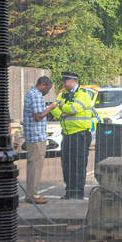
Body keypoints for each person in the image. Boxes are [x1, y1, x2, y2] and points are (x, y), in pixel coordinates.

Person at [49, 71, 94, 199]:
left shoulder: (83, 94)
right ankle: (69, 191)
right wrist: (63, 112)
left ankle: (78, 192)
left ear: (73, 81)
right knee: (67, 164)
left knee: (78, 164)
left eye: (65, 81)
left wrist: (64, 107)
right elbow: (55, 110)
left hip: (80, 135)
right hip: (67, 135)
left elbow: (74, 109)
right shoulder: (63, 94)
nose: (63, 83)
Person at [22, 76, 53, 204]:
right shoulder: (36, 95)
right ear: (43, 84)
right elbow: (38, 116)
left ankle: (32, 193)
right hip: (36, 137)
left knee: (34, 165)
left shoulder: (32, 93)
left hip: (35, 136)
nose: (47, 92)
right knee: (36, 166)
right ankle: (32, 195)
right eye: (48, 89)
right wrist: (51, 107)